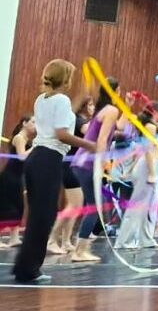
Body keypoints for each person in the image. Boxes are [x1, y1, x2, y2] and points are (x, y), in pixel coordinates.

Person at [12, 59, 97, 283]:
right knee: (43, 216)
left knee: (39, 215)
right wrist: (90, 145)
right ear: (65, 79)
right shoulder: (61, 100)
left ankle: (24, 267)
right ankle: (30, 270)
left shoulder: (43, 99)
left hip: (37, 158)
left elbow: (62, 118)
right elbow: (61, 134)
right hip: (48, 159)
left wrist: (82, 96)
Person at [69, 78, 130, 262]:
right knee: (94, 206)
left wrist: (128, 106)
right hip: (88, 162)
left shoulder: (105, 110)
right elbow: (102, 139)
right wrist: (101, 163)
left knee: (96, 204)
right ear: (116, 91)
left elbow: (120, 127)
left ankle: (80, 248)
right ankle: (79, 251)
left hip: (82, 161)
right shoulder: (111, 110)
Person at [49, 90, 95, 255]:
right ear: (84, 106)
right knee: (74, 205)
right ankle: (51, 240)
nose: (93, 108)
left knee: (76, 205)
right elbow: (90, 132)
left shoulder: (79, 119)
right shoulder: (79, 120)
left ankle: (66, 240)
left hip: (74, 165)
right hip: (69, 166)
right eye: (91, 105)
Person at [115, 105, 158, 249]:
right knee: (137, 205)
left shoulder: (150, 126)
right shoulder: (150, 127)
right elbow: (147, 150)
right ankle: (124, 241)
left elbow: (141, 151)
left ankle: (145, 239)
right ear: (155, 112)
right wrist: (152, 173)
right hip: (147, 167)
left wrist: (129, 170)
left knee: (148, 207)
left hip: (148, 165)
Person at [0, 117, 35, 248]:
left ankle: (14, 238)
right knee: (6, 207)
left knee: (18, 206)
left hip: (18, 177)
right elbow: (21, 157)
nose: (35, 125)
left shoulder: (28, 140)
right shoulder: (19, 138)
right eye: (33, 122)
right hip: (9, 177)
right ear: (24, 123)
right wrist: (34, 147)